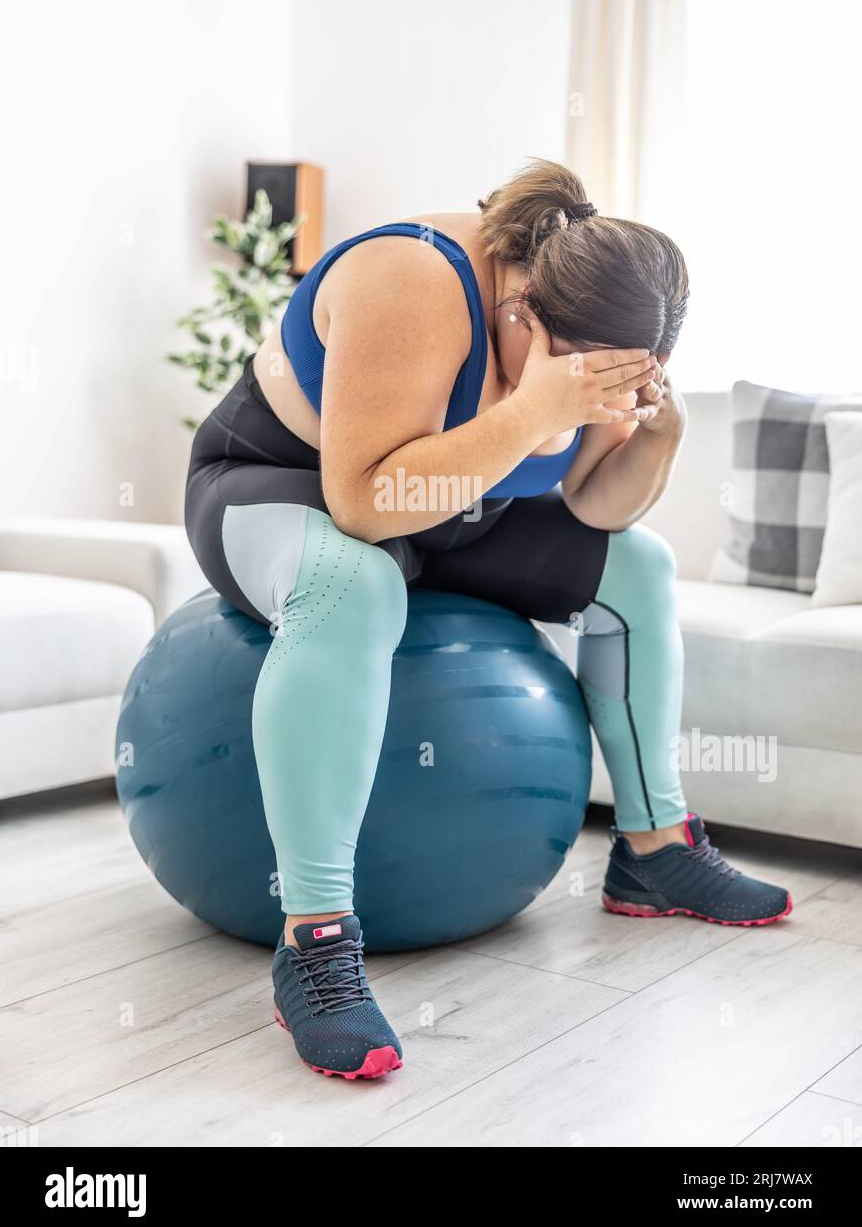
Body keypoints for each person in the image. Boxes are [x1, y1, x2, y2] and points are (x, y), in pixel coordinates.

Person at [185, 159, 791, 1081]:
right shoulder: (416, 278)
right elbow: (361, 502)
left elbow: (594, 508)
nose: (598, 389)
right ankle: (314, 942)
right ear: (523, 316)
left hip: (454, 513)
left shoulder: (598, 323)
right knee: (356, 584)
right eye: (584, 372)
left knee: (639, 565)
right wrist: (537, 409)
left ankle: (654, 850)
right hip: (280, 487)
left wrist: (656, 433)